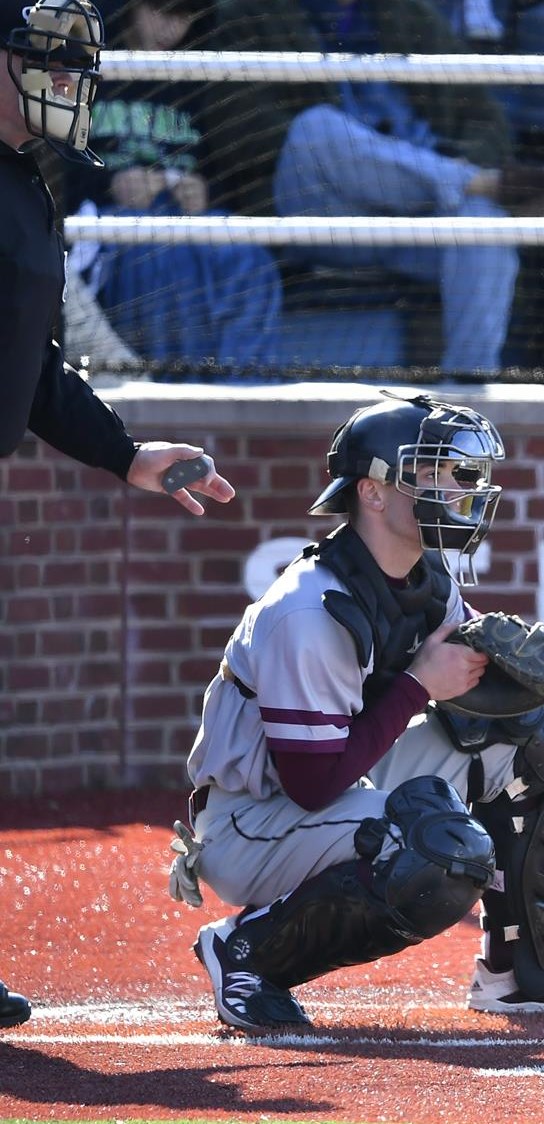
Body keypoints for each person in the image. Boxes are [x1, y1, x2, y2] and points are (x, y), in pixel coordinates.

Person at [164, 391, 544, 1030]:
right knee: (441, 848)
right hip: (252, 820)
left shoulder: (425, 578)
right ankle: (246, 953)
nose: (459, 488)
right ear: (373, 492)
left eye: (458, 473)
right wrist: (419, 684)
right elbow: (311, 784)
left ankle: (520, 969)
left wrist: (518, 663)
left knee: (526, 740)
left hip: (333, 785)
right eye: (435, 472)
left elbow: (472, 689)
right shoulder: (310, 610)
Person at [0, 0, 237, 1030]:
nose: (65, 81)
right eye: (43, 60)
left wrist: (127, 455)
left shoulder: (25, 184)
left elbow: (33, 366)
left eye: (72, 64)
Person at [192, 0, 544, 372]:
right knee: (316, 127)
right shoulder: (249, 12)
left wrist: (455, 154)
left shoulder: (406, 13)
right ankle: (475, 182)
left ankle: (469, 386)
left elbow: (485, 118)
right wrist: (365, 156)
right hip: (324, 210)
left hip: (417, 212)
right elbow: (236, 127)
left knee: (482, 220)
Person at [69, 0, 282, 366]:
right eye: (162, 12)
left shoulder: (199, 68)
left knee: (249, 257)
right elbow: (53, 165)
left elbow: (229, 165)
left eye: (184, 16)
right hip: (109, 219)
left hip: (190, 217)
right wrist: (108, 183)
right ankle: (171, 391)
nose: (172, 29)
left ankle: (243, 391)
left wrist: (205, 190)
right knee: (160, 259)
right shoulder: (84, 60)